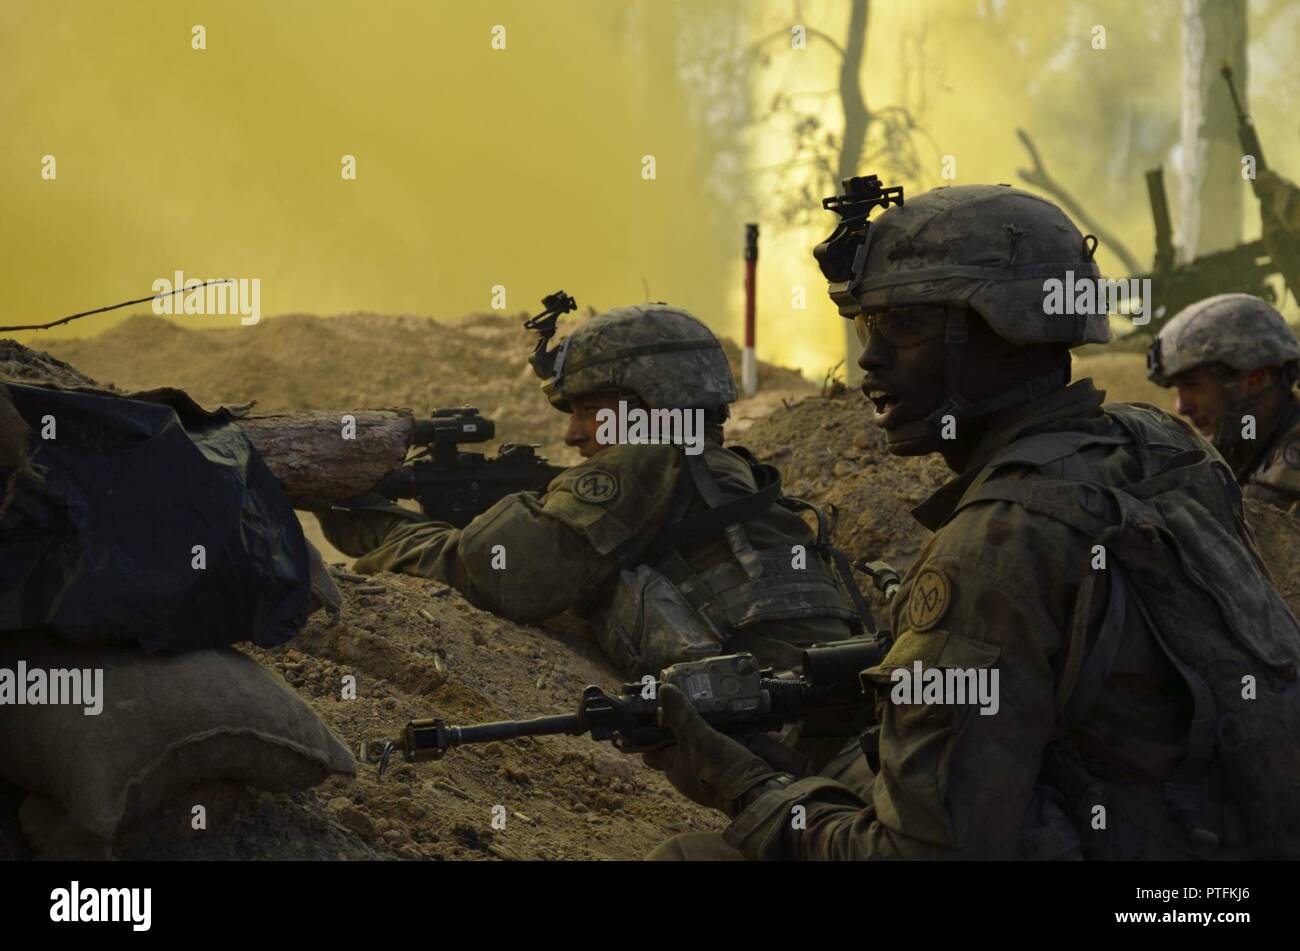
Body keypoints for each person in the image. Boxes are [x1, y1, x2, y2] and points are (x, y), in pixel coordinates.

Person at [643, 182, 1300, 860]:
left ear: (1006, 334)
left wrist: (749, 787)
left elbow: (918, 855)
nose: (870, 357)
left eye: (906, 326)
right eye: (870, 326)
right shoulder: (1165, 445)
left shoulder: (997, 542)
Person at [318, 304, 867, 686]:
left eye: (589, 411)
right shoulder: (719, 470)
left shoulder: (648, 460)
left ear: (649, 404)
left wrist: (372, 522)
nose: (573, 435)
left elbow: (491, 576)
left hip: (784, 734)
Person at [1147, 293, 1300, 514]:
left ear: (1254, 381)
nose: (1181, 407)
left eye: (1192, 384)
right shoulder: (1240, 445)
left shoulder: (1287, 477)